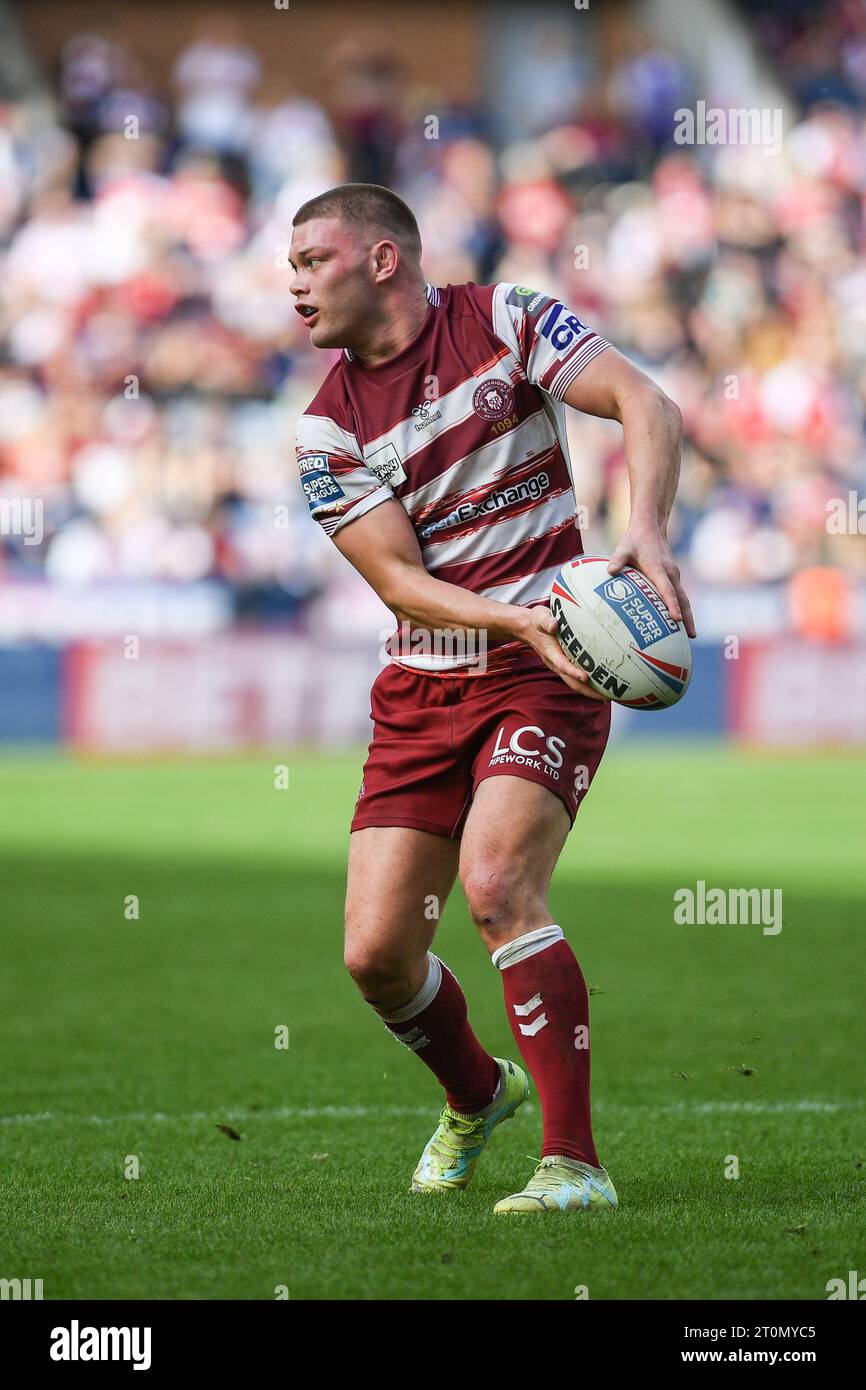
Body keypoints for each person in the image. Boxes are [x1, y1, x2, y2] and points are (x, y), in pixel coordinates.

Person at [291, 183, 694, 1213]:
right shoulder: (324, 429)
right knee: (376, 956)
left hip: (543, 672)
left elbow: (644, 400)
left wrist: (643, 529)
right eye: (291, 266)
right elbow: (395, 581)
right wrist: (515, 617)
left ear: (382, 260)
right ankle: (477, 1094)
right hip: (428, 682)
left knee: (496, 883)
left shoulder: (504, 319)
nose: (293, 285)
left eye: (312, 261)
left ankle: (574, 1164)